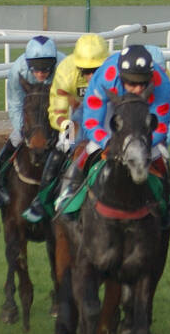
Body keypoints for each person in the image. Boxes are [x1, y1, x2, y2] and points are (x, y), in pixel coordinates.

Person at [55, 44, 170, 228]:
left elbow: (159, 127)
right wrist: (109, 142)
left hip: (144, 114)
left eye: (143, 83)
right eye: (132, 83)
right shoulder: (105, 77)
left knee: (161, 154)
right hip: (110, 110)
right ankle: (69, 192)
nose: (137, 89)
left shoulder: (162, 84)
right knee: (90, 148)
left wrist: (141, 144)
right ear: (121, 77)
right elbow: (91, 123)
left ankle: (167, 200)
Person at [22, 33, 109, 228]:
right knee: (62, 149)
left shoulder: (116, 70)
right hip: (76, 117)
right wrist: (67, 128)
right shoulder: (66, 71)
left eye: (97, 70)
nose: (91, 76)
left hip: (107, 115)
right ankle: (42, 200)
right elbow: (57, 111)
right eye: (86, 71)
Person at [0, 35, 59, 178]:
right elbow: (15, 104)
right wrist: (23, 130)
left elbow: (71, 104)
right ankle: (0, 175)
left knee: (71, 141)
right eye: (36, 70)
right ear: (28, 65)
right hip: (33, 114)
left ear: (54, 64)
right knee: (16, 138)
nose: (40, 74)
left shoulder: (64, 67)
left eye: (45, 70)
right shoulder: (17, 71)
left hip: (61, 113)